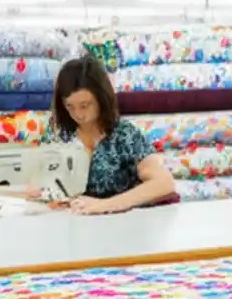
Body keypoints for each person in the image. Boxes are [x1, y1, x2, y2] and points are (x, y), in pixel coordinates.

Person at [47, 56, 176, 215]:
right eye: (70, 106)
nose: (78, 114)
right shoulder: (58, 135)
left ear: (101, 98)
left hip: (123, 227)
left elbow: (163, 183)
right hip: (72, 226)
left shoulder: (124, 135)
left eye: (85, 105)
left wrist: (104, 205)